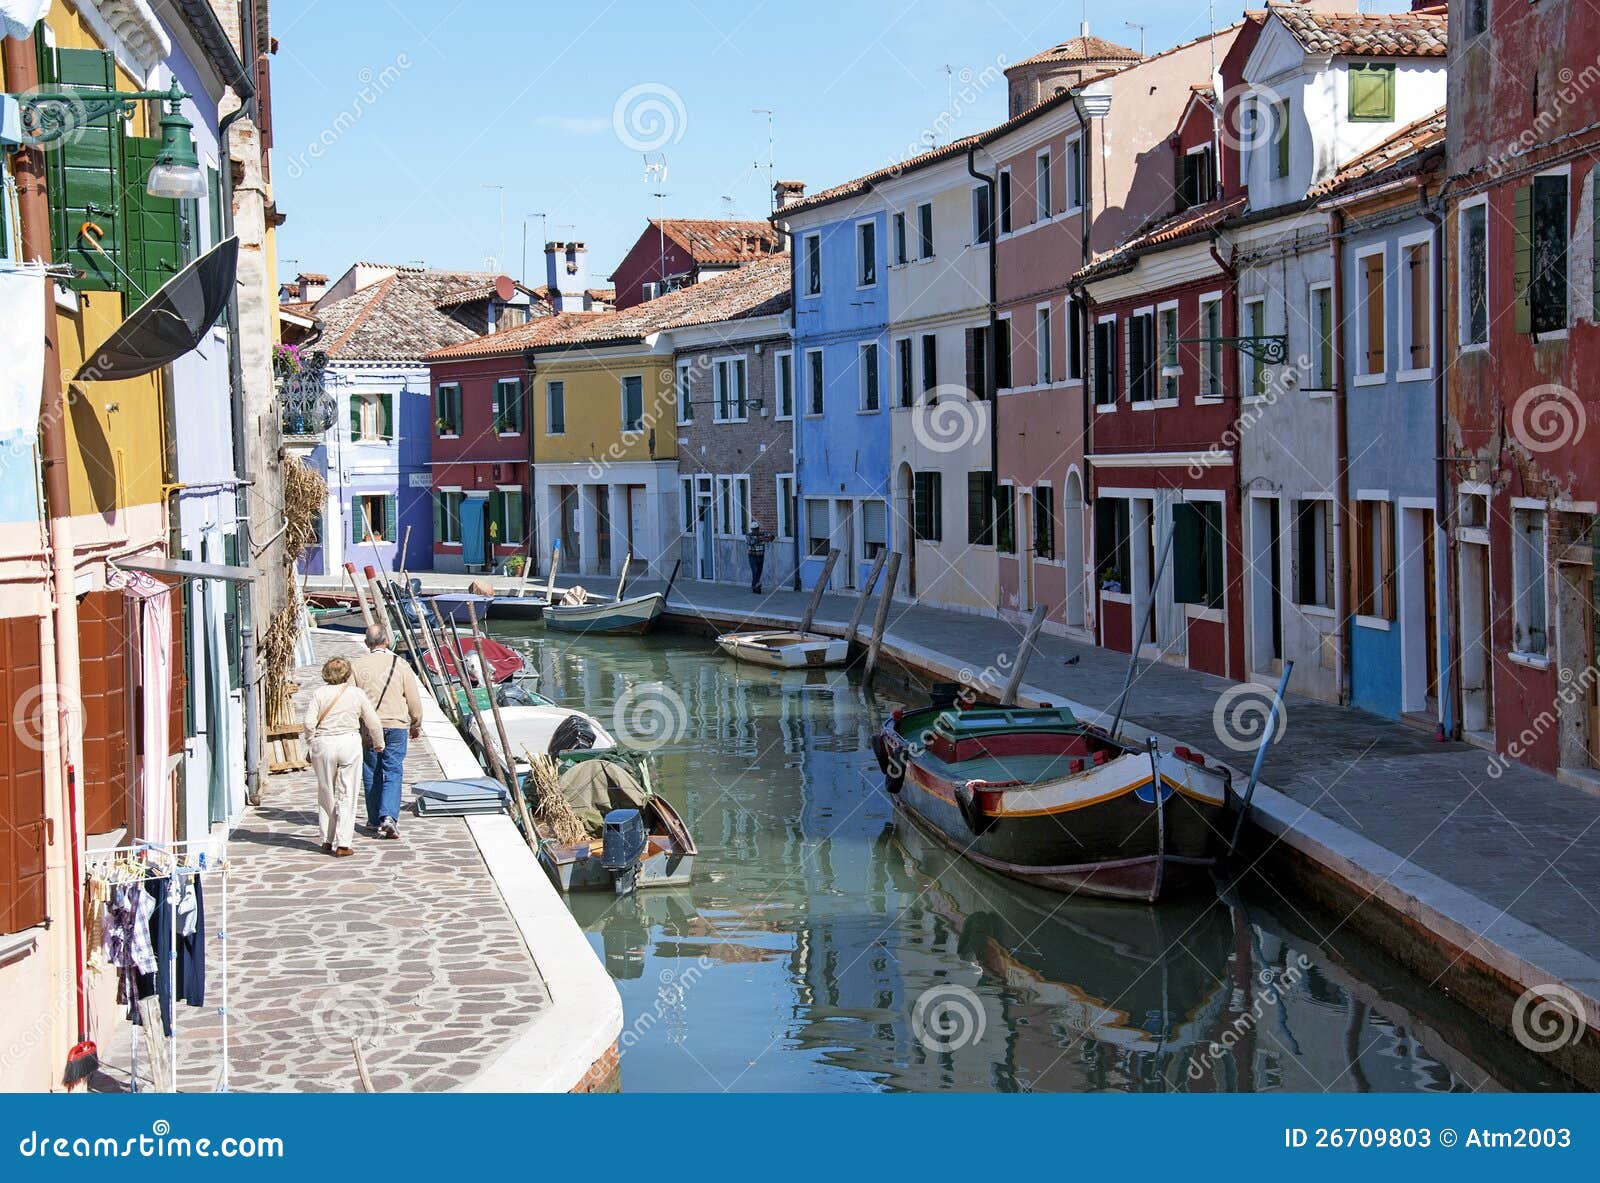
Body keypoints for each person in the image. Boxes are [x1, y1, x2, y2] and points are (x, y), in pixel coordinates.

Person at [301, 656, 384, 857]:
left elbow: (309, 723)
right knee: (348, 792)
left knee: (325, 792)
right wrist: (379, 742)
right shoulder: (356, 693)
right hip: (349, 742)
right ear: (348, 674)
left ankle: (327, 839)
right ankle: (344, 843)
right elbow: (373, 721)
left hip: (323, 744)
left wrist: (312, 742)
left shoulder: (319, 694)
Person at [352, 625, 424, 839]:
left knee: (371, 769)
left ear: (367, 643)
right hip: (396, 724)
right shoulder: (400, 664)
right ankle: (389, 817)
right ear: (387, 641)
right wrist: (416, 722)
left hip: (368, 726)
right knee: (392, 770)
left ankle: (374, 819)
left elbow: (351, 699)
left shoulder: (356, 666)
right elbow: (413, 699)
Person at [746, 520, 774, 594]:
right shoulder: (749, 535)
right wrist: (761, 539)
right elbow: (751, 543)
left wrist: (769, 538)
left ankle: (754, 586)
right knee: (754, 571)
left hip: (761, 555)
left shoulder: (763, 533)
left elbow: (772, 537)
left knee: (759, 571)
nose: (756, 530)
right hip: (752, 556)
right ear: (752, 530)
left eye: (757, 529)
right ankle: (757, 585)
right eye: (754, 529)